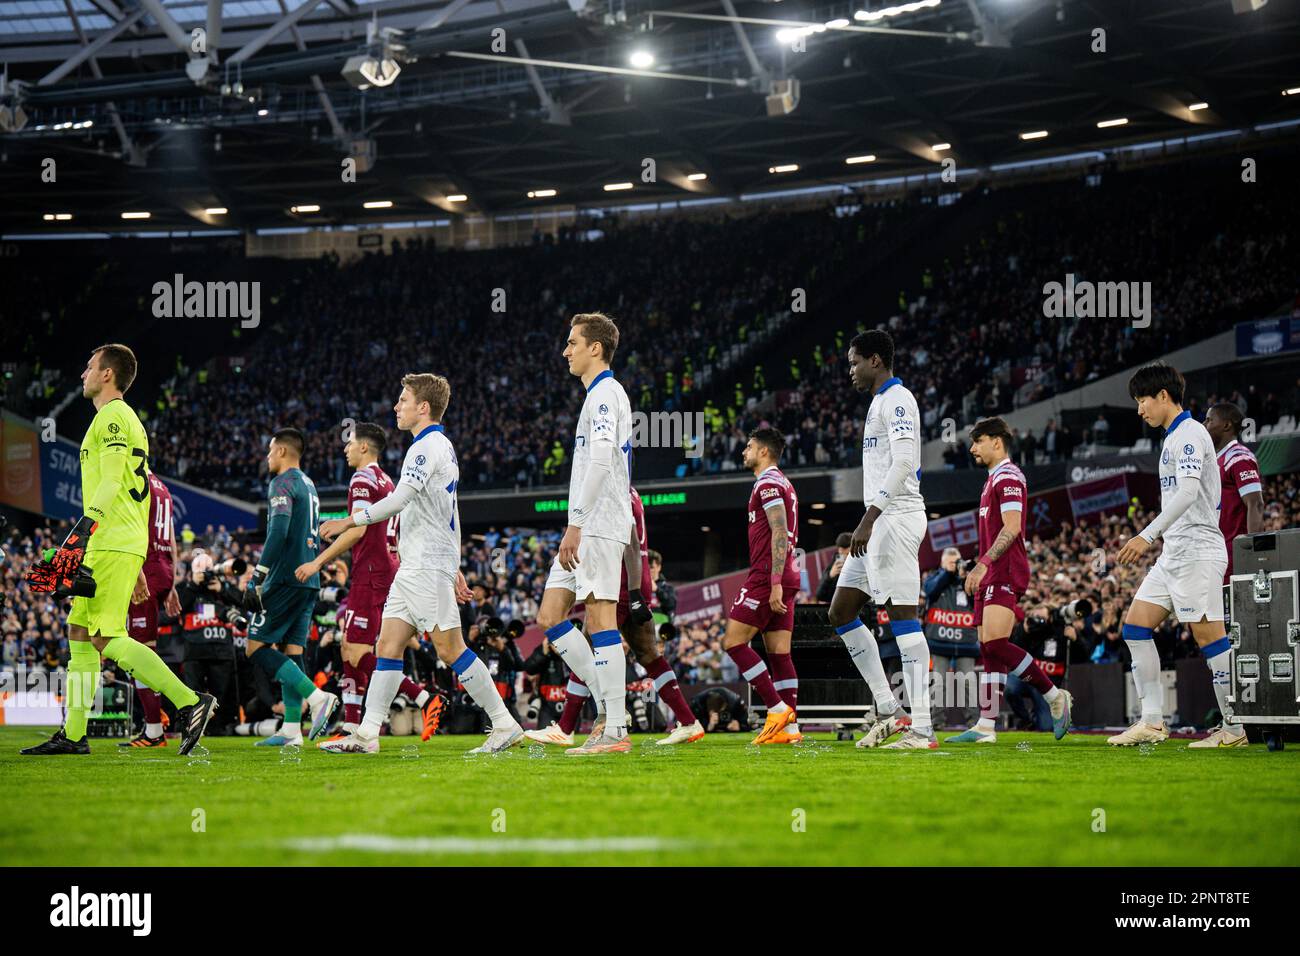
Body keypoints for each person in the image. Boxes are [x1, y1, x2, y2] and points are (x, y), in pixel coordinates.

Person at [21, 344, 216, 757]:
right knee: (79, 632)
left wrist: (81, 533)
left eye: (89, 367)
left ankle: (189, 702)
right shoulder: (124, 420)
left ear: (107, 374)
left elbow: (111, 482)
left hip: (108, 540)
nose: (83, 375)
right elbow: (135, 492)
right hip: (116, 541)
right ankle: (73, 735)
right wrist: (138, 561)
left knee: (107, 637)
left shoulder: (112, 417)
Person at [320, 373, 522, 754]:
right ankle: (367, 734)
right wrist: (456, 562)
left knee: (450, 649)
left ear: (423, 407)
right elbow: (447, 512)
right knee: (388, 645)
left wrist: (349, 520)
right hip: (419, 565)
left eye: (403, 400)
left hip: (425, 567)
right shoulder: (437, 447)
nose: (397, 407)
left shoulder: (426, 447)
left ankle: (504, 723)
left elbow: (400, 500)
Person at [1112, 363, 1243, 748]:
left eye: (1142, 401)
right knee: (1135, 627)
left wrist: (1145, 535)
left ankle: (1235, 728)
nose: (1140, 410)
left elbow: (1187, 494)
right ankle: (1152, 721)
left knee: (1210, 638)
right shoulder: (1173, 437)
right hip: (1175, 553)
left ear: (1163, 396)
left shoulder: (1189, 435)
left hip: (1198, 551)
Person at [293, 422, 444, 744]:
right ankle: (350, 726)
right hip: (383, 569)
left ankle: (422, 697)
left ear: (364, 447)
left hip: (371, 572)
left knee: (359, 649)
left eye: (349, 444)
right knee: (349, 647)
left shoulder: (362, 479)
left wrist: (318, 561)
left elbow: (358, 529)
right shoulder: (387, 480)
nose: (345, 449)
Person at [530, 313, 638, 756]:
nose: (566, 350)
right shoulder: (596, 396)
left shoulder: (607, 395)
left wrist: (576, 522)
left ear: (596, 348)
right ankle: (612, 709)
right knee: (551, 616)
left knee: (599, 619)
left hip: (598, 523)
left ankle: (614, 729)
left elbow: (599, 463)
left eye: (573, 342)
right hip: (586, 522)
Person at [526, 486, 702, 747]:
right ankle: (689, 722)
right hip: (634, 580)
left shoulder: (614, 490)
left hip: (621, 581)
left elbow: (629, 539)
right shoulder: (632, 493)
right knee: (649, 655)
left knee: (588, 644)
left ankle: (569, 727)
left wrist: (632, 591)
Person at [829, 330, 934, 750]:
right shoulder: (878, 403)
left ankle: (923, 729)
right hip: (877, 519)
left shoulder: (897, 399)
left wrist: (871, 518)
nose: (850, 371)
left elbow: (906, 461)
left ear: (875, 360)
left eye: (854, 362)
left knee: (903, 617)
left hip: (894, 519)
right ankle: (891, 710)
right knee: (841, 612)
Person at [948, 417, 1072, 743]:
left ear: (997, 442)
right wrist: (978, 565)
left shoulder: (1008, 476)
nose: (973, 448)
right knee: (987, 651)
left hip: (1003, 570)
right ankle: (986, 727)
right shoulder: (992, 480)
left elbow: (1012, 527)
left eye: (978, 441)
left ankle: (1054, 696)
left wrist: (982, 564)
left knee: (996, 644)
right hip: (989, 571)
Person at [239, 428, 339, 747]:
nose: (267, 457)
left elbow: (279, 531)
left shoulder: (281, 483)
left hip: (284, 577)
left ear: (282, 451)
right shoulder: (309, 484)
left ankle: (317, 697)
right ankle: (292, 730)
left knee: (254, 646)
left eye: (270, 451)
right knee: (291, 650)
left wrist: (257, 576)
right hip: (308, 580)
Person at [718, 427, 804, 744]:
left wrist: (775, 581)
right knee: (779, 654)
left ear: (764, 452)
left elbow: (779, 531)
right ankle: (790, 729)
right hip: (788, 573)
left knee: (734, 643)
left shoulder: (767, 483)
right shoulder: (785, 483)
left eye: (749, 446)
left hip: (769, 575)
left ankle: (776, 708)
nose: (744, 451)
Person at [120, 470, 181, 748]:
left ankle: (156, 729)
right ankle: (156, 724)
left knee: (140, 653)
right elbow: (171, 537)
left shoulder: (135, 480)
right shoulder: (163, 487)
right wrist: (173, 582)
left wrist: (136, 573)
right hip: (163, 569)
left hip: (145, 567)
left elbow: (131, 529)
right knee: (144, 649)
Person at [1204, 402, 1264, 581]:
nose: (1205, 425)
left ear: (1226, 425)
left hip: (1236, 554)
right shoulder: (1217, 459)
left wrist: (1253, 551)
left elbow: (1256, 503)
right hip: (1218, 552)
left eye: (1209, 420)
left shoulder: (1239, 457)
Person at [921, 548, 978, 729]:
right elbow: (930, 590)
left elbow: (977, 601)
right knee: (939, 682)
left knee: (968, 682)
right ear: (943, 563)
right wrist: (947, 574)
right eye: (951, 563)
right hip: (939, 641)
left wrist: (964, 577)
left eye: (957, 562)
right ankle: (937, 721)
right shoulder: (934, 578)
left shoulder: (966, 581)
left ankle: (974, 722)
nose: (955, 565)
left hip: (965, 642)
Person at [815, 533, 852, 602]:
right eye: (845, 554)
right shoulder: (833, 568)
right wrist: (829, 577)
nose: (847, 558)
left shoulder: (860, 565)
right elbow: (820, 595)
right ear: (839, 550)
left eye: (849, 554)